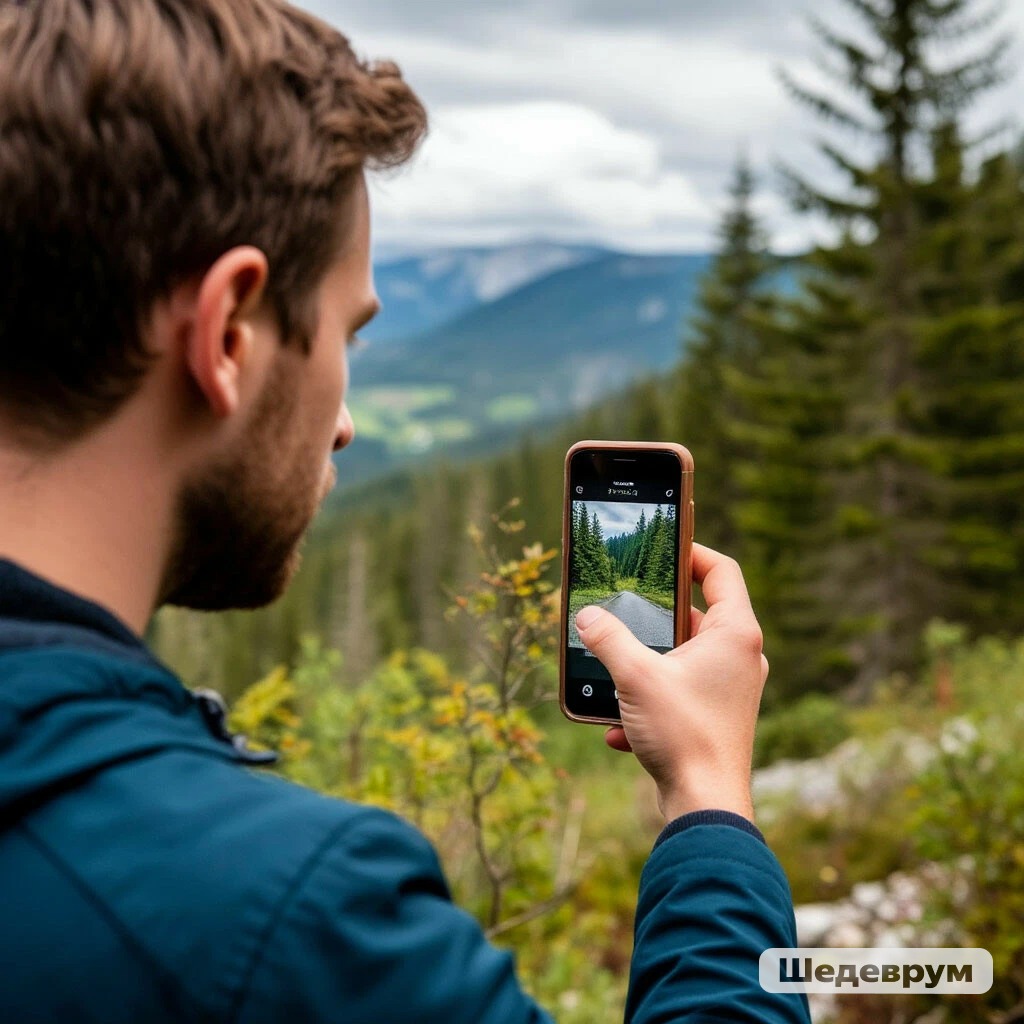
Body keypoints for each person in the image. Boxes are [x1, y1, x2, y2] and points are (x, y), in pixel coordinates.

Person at [0, 1, 810, 1021]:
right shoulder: (294, 923)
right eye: (347, 332)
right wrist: (707, 801)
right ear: (229, 335)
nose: (340, 423)